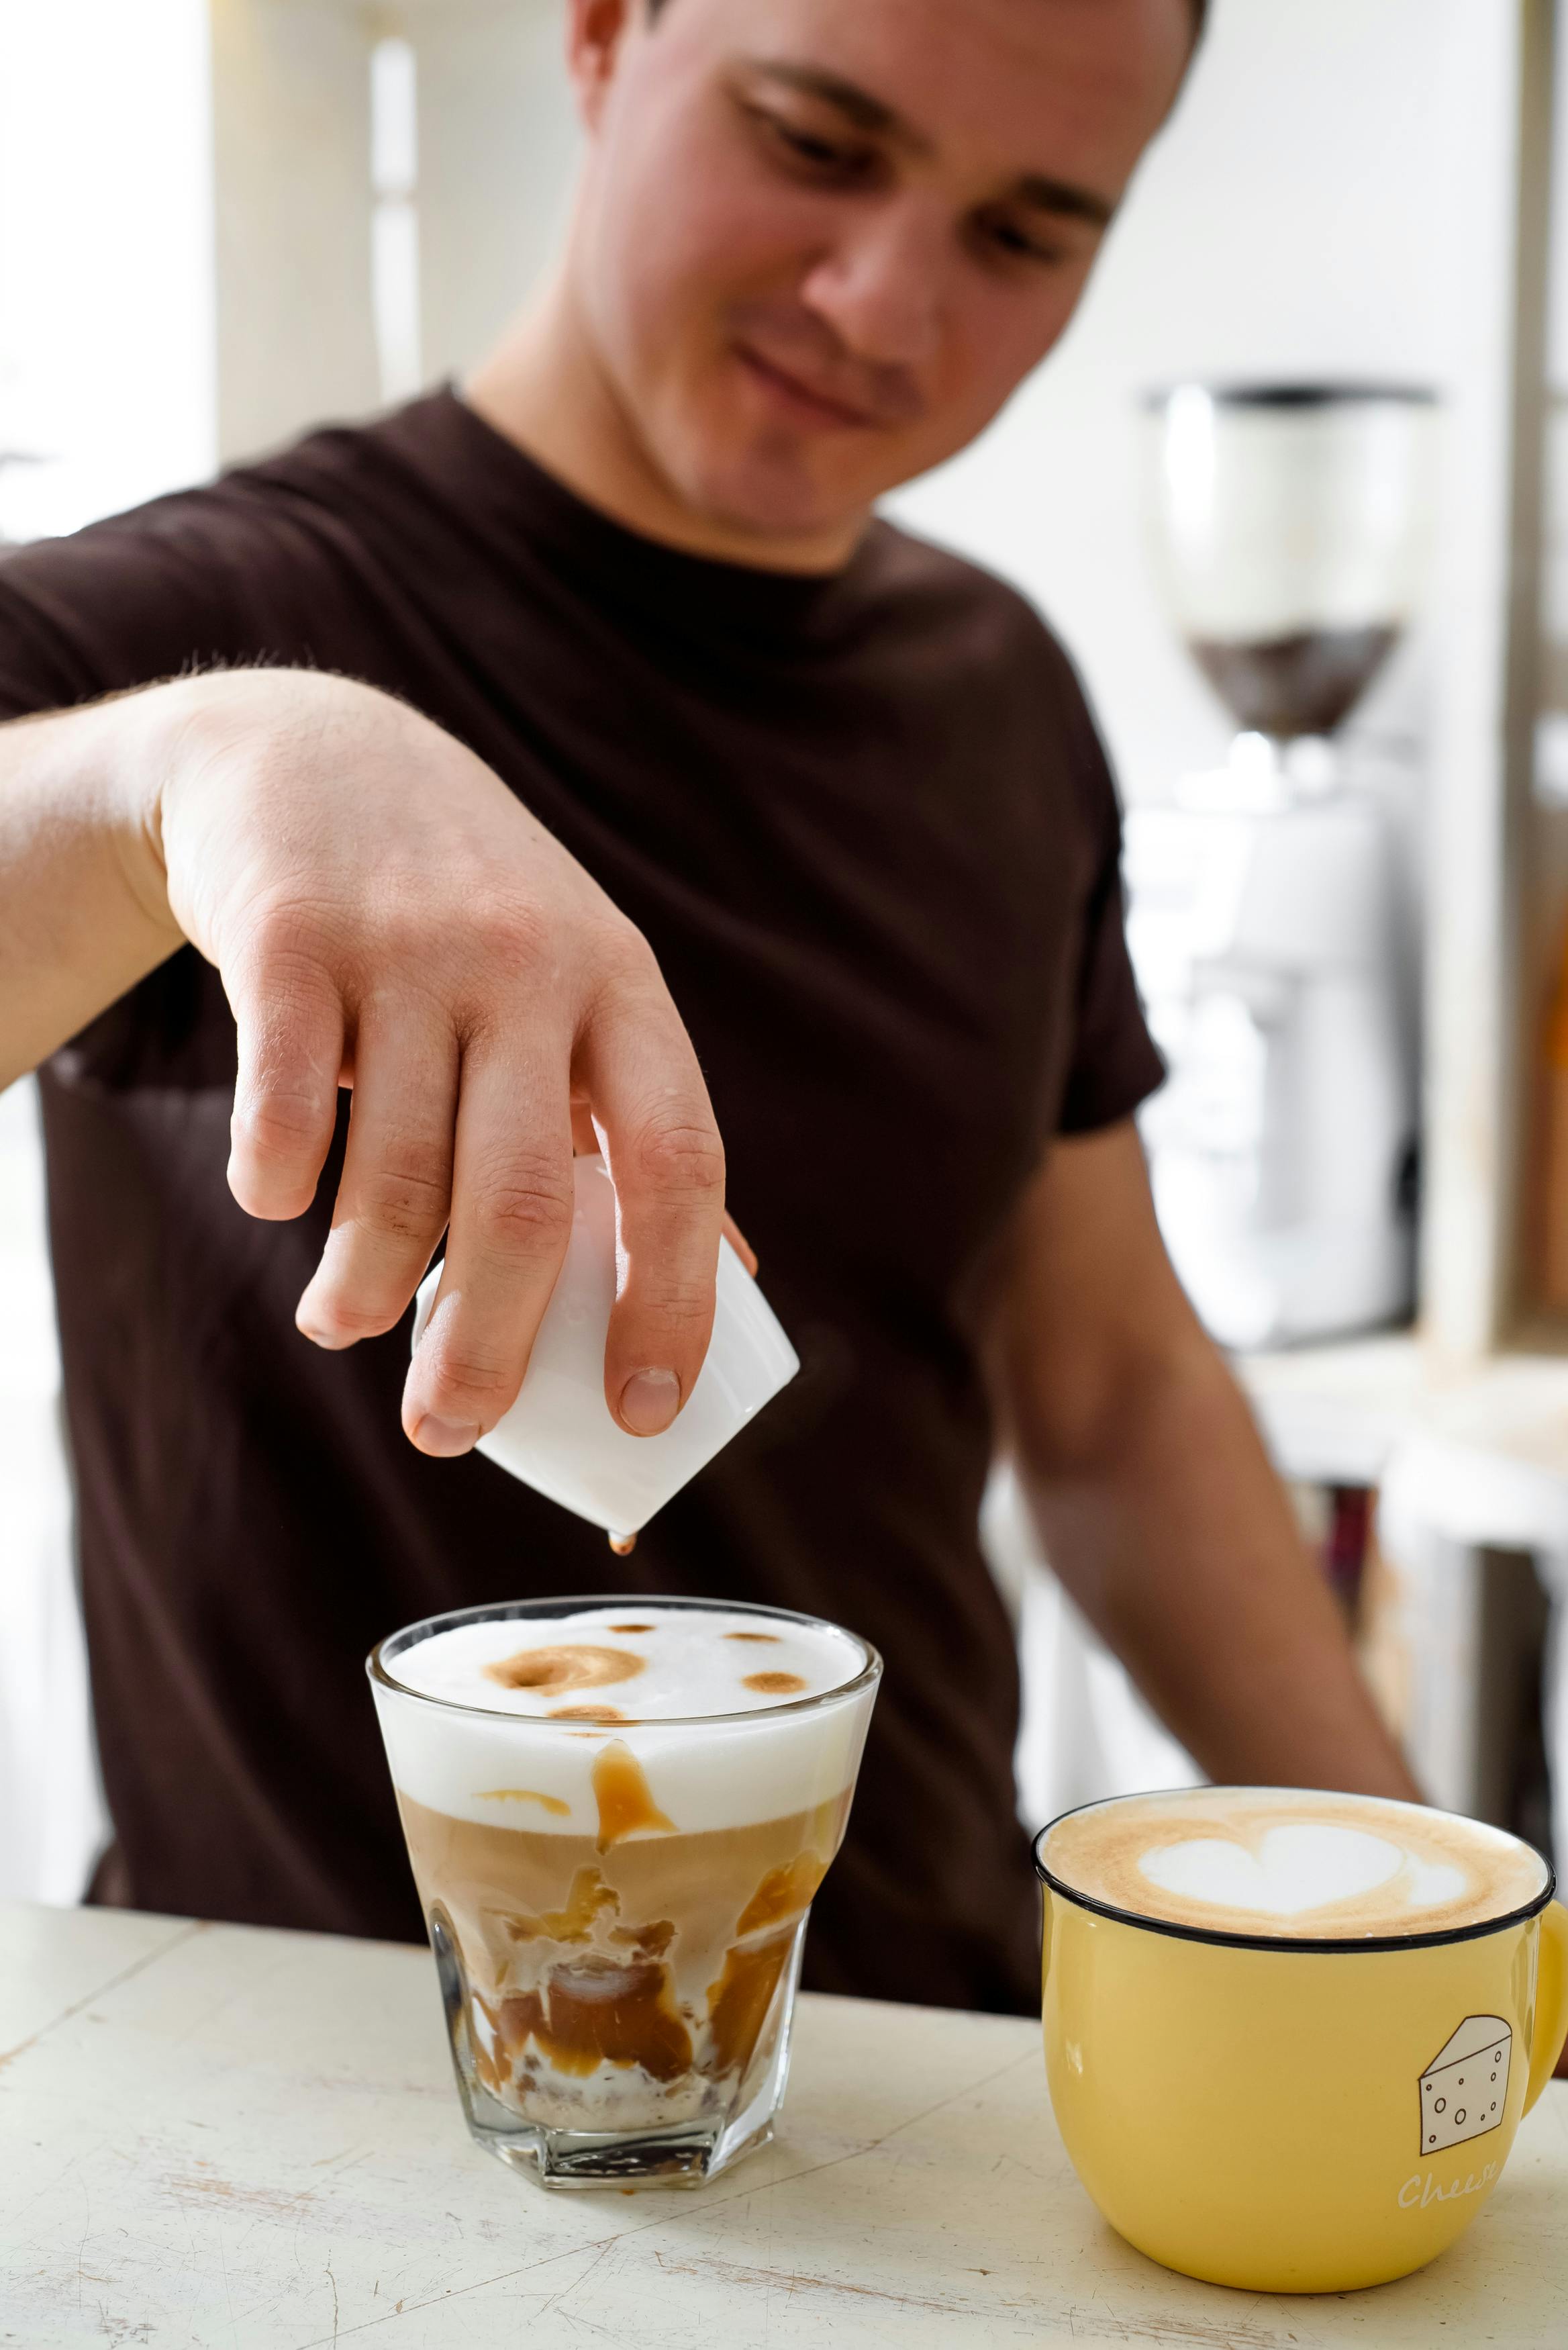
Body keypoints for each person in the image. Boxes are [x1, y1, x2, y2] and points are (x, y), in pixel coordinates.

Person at [0, 0, 1416, 2014]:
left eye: (1023, 235)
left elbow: (1111, 1394)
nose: (883, 304)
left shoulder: (1002, 699)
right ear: (600, 35)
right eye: (817, 142)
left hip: (933, 2054)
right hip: (336, 2125)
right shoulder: (200, 633)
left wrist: (1471, 1951)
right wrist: (182, 776)